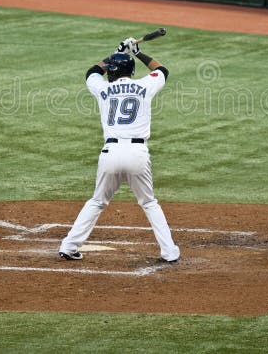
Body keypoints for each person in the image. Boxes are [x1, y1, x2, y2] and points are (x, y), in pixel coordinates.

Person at [58, 41, 181, 264]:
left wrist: (115, 53)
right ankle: (169, 252)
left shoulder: (103, 88)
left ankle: (69, 246)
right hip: (137, 153)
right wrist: (138, 52)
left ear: (112, 71)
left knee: (97, 201)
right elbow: (162, 70)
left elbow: (92, 71)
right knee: (149, 203)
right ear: (131, 70)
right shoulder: (144, 85)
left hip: (111, 153)